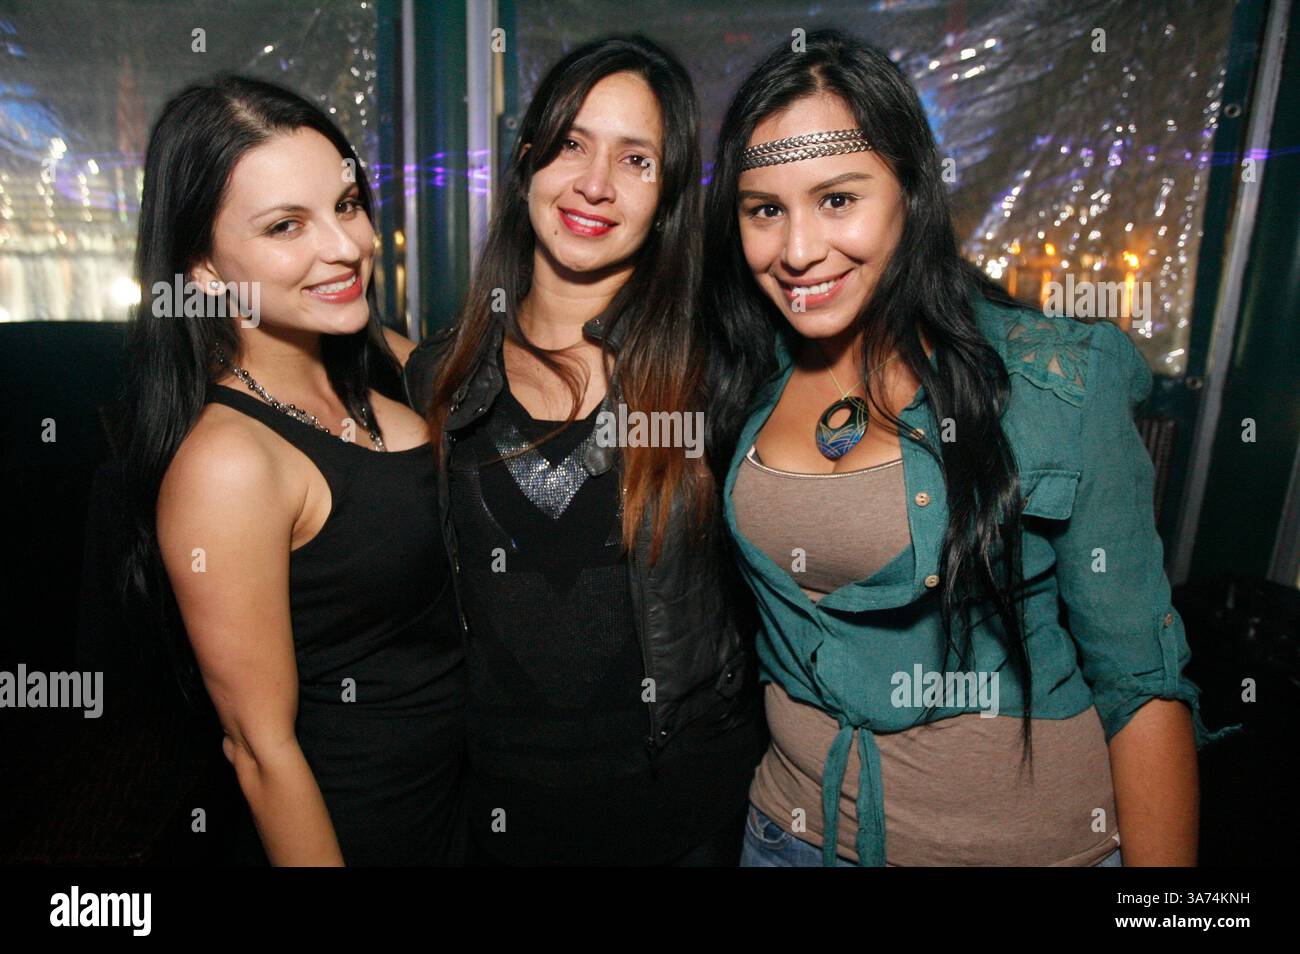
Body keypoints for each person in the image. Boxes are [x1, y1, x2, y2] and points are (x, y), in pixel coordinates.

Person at [701, 29, 1238, 867]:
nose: (798, 250)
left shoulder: (1051, 385)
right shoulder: (743, 374)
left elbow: (1141, 683)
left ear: (911, 193)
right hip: (788, 837)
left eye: (838, 199)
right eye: (765, 210)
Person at [403, 36, 768, 866]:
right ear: (528, 160)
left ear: (668, 195)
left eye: (636, 159)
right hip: (500, 814)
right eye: (572, 143)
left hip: (686, 816)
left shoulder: (718, 370)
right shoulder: (438, 376)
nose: (595, 184)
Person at [120, 74, 466, 866]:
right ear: (203, 270)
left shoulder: (382, 361)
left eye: (346, 206)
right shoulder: (227, 464)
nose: (345, 246)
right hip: (363, 832)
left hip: (465, 809)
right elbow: (259, 751)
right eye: (286, 226)